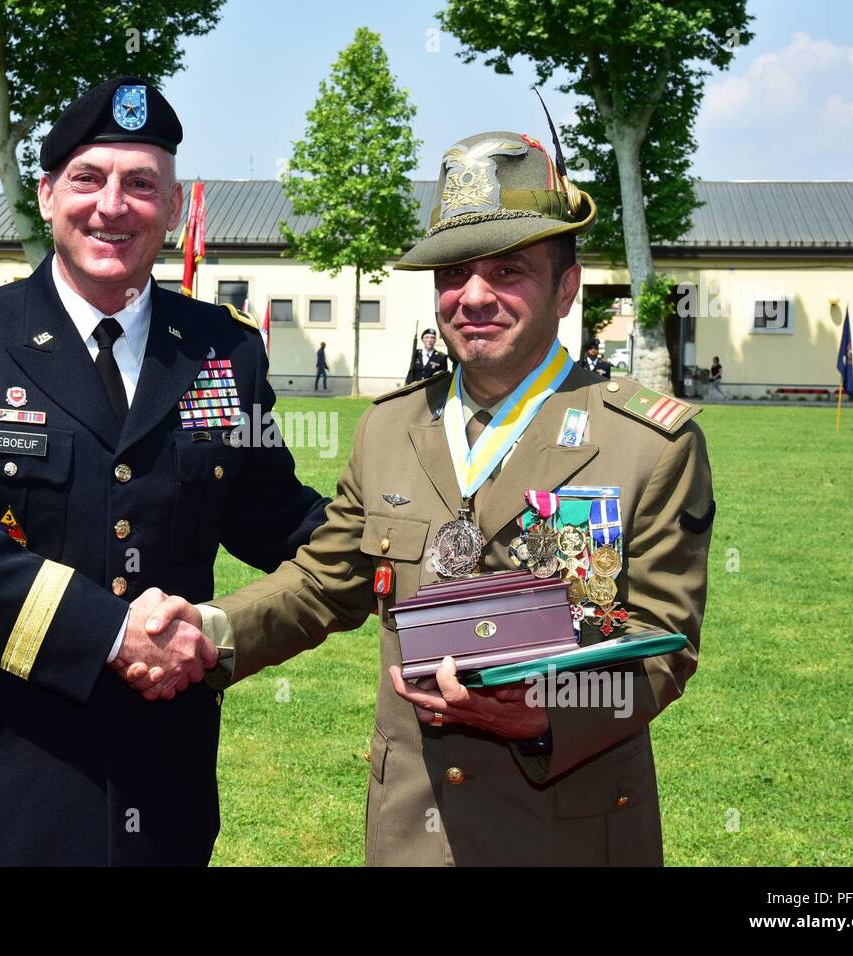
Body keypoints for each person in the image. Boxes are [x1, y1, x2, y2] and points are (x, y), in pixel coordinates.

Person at [132, 126, 716, 866]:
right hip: (413, 827)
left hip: (567, 832)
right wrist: (208, 629)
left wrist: (546, 714)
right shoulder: (390, 428)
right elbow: (324, 581)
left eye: (509, 271)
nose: (473, 297)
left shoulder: (645, 444)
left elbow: (663, 648)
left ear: (567, 289)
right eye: (453, 274)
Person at [0, 75, 328, 866]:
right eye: (88, 179)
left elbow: (274, 515)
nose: (111, 206)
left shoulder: (223, 350)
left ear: (175, 207)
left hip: (162, 779)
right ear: (47, 195)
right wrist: (117, 634)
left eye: (141, 185)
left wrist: (406, 540)